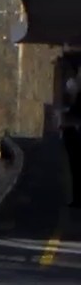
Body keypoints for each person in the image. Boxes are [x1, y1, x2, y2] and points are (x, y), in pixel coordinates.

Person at [59, 60, 81, 207]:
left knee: (76, 169)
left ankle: (77, 199)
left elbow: (75, 116)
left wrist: (65, 124)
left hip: (76, 138)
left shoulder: (79, 98)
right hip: (74, 136)